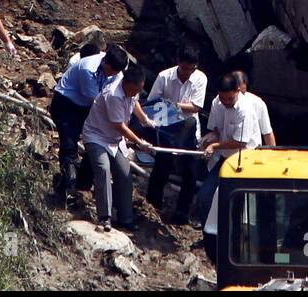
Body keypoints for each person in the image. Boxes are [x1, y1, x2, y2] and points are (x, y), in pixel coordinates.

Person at [194, 73, 274, 228]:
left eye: (229, 99)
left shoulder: (246, 110)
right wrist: (209, 139)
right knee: (204, 197)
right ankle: (209, 237)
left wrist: (215, 146)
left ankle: (236, 238)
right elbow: (217, 129)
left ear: (238, 91)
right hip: (226, 159)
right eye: (223, 99)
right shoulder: (217, 103)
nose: (226, 103)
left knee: (238, 203)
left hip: (246, 160)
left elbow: (240, 141)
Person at [82, 64, 156, 231]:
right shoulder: (114, 95)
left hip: (115, 140)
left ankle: (125, 218)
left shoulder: (132, 91)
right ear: (126, 83)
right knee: (103, 169)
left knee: (124, 173)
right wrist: (139, 142)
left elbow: (134, 102)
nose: (136, 93)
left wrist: (144, 119)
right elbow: (120, 126)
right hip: (97, 136)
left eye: (139, 90)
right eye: (134, 90)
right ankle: (104, 217)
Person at [49, 41, 127, 198]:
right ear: (105, 62)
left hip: (88, 106)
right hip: (67, 103)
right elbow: (95, 100)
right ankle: (67, 187)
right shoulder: (88, 68)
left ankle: (82, 183)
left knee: (96, 142)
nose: (111, 75)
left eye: (115, 73)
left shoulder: (117, 71)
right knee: (69, 144)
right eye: (110, 71)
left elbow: (115, 93)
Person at [145, 46, 208, 223]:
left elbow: (195, 107)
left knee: (190, 173)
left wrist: (172, 105)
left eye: (191, 69)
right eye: (184, 68)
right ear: (178, 63)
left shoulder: (200, 78)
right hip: (166, 130)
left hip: (189, 131)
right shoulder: (164, 77)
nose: (187, 72)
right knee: (161, 168)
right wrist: (174, 110)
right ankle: (153, 206)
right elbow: (153, 104)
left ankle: (182, 214)